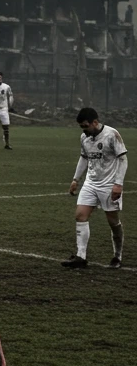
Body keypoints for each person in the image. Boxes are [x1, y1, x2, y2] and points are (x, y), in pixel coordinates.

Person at [62, 107, 127, 269]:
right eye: (81, 127)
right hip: (91, 183)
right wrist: (75, 179)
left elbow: (123, 159)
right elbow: (84, 158)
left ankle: (117, 255)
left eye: (85, 126)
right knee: (80, 216)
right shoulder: (84, 137)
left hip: (109, 185)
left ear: (95, 122)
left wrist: (118, 184)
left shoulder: (112, 134)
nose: (83, 130)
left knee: (113, 222)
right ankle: (80, 257)